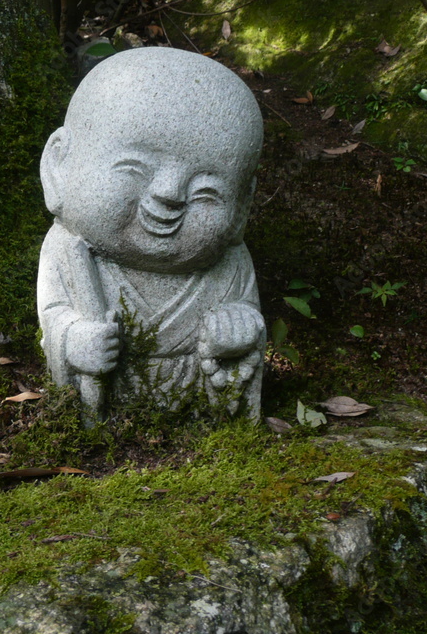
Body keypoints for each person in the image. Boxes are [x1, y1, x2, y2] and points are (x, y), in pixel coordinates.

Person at [37, 47, 265, 425]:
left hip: (196, 406)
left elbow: (246, 320)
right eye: (134, 169)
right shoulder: (68, 251)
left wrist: (238, 330)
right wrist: (75, 342)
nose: (169, 194)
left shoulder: (230, 264)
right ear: (58, 168)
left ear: (242, 206)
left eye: (207, 190)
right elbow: (55, 317)